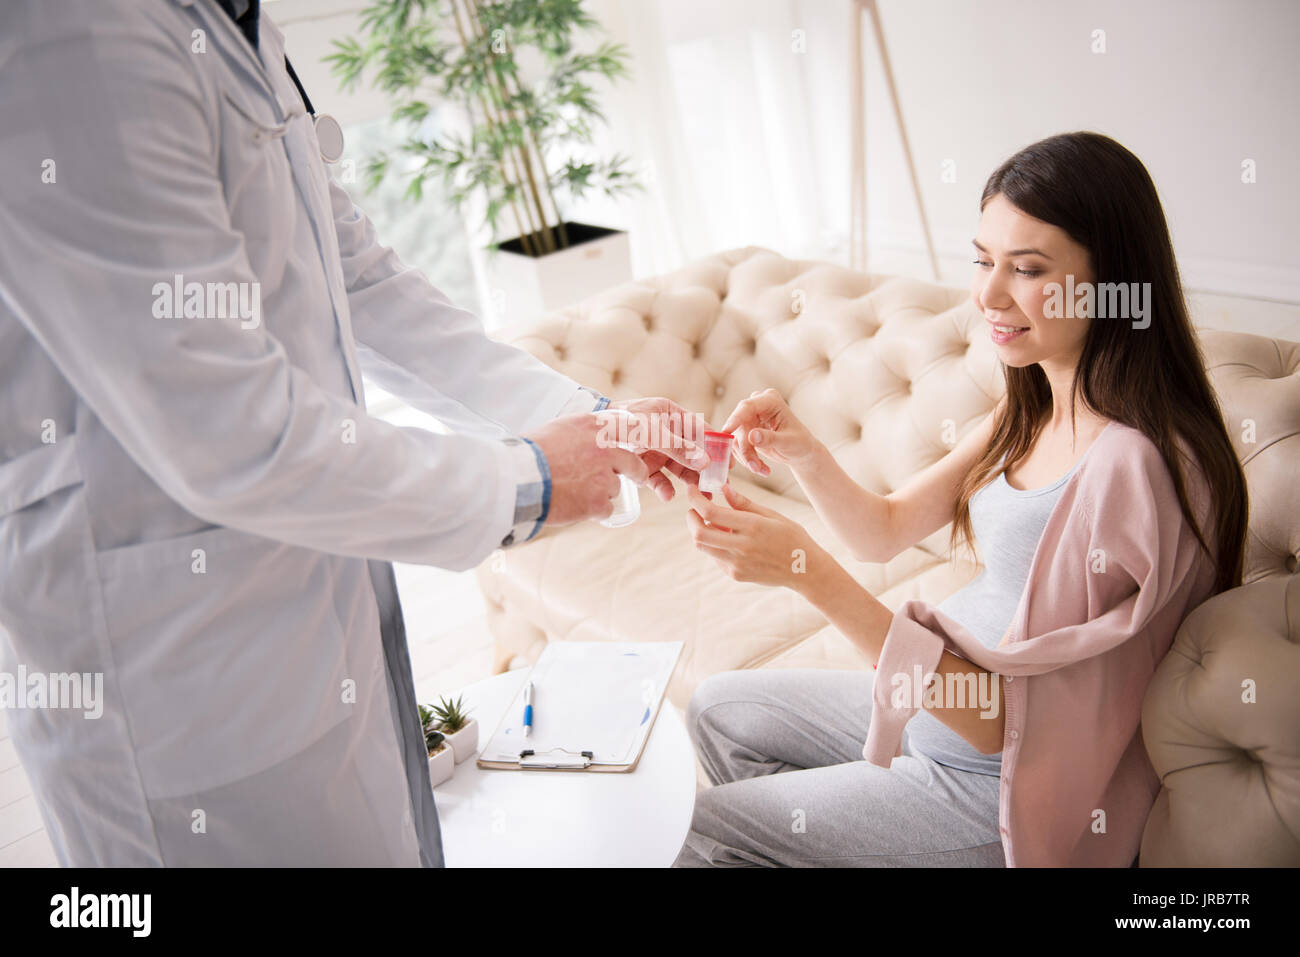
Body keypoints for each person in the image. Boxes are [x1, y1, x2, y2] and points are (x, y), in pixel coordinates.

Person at [0, 0, 708, 866]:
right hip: (173, 681)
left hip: (309, 617)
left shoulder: (237, 26)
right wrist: (530, 480)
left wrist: (587, 424)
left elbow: (361, 282)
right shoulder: (70, 34)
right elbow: (227, 430)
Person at [671, 131, 1248, 867]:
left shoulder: (1131, 470)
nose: (988, 295)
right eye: (983, 260)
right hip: (928, 715)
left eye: (1028, 269)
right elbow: (884, 530)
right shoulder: (1033, 405)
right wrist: (803, 451)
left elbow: (1003, 724)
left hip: (996, 789)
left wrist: (803, 568)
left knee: (692, 825)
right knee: (720, 709)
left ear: (1112, 281)